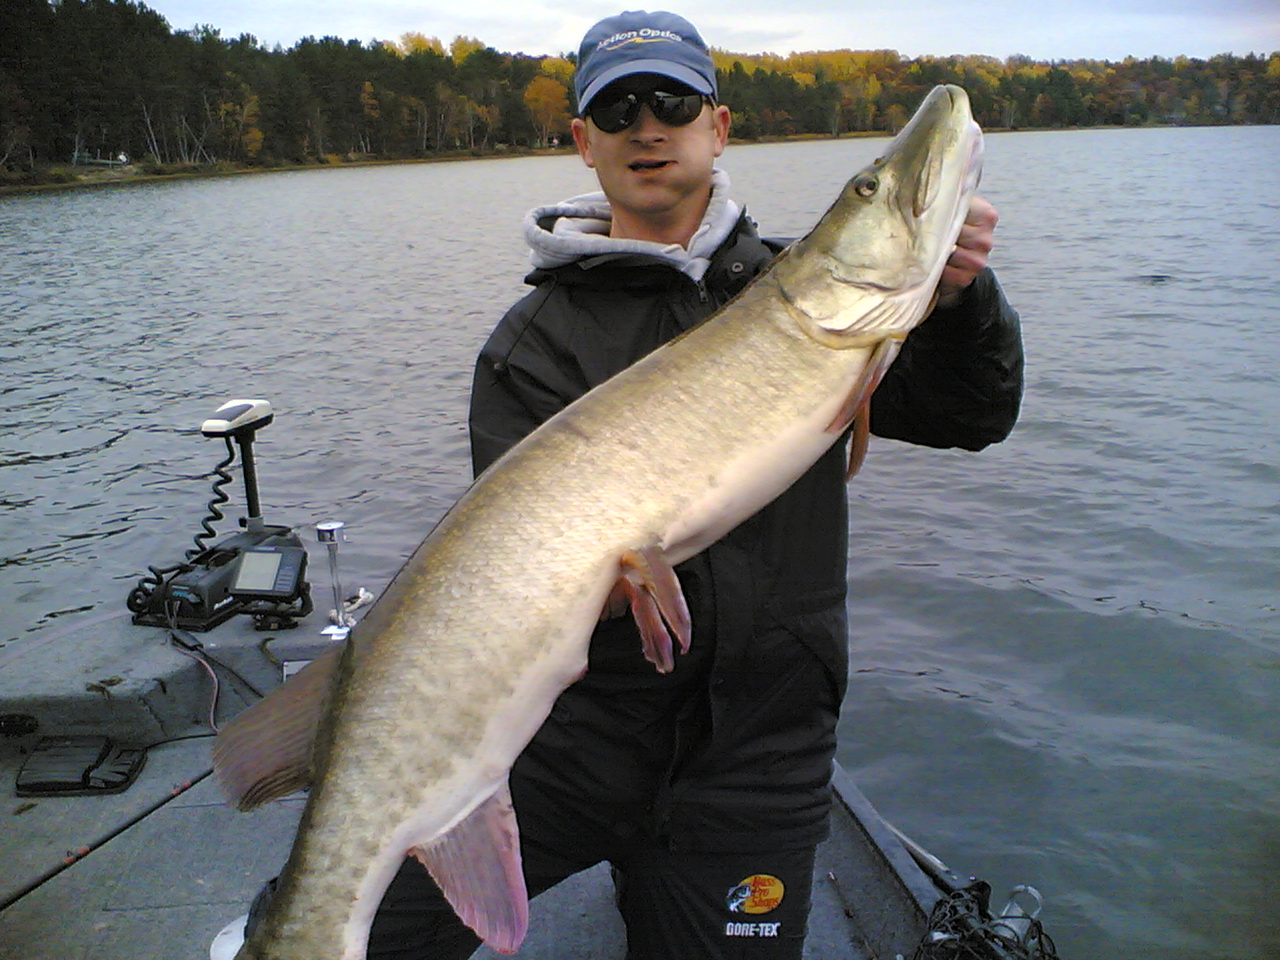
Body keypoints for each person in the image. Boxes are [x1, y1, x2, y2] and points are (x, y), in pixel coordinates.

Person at [243, 10, 1023, 959]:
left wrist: (956, 299)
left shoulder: (813, 309)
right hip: (569, 748)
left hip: (754, 761)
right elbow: (528, 569)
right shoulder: (530, 346)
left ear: (718, 126)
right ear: (583, 141)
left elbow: (972, 417)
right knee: (332, 924)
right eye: (616, 109)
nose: (647, 126)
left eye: (673, 101)